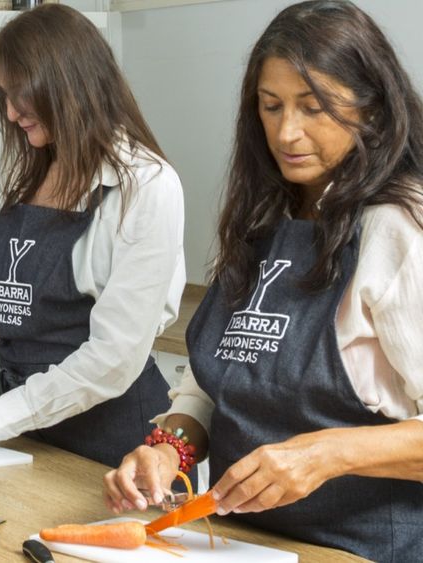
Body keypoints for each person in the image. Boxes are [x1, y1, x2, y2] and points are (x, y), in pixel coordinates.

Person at [104, 2, 423, 559]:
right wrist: (168, 450)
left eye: (314, 108)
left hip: (363, 550)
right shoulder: (261, 221)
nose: (287, 132)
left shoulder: (399, 229)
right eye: (271, 107)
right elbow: (217, 379)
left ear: (371, 111)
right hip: (244, 545)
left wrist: (326, 454)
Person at [0, 4, 186, 470]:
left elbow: (114, 359)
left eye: (21, 94)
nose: (12, 112)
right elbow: (27, 290)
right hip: (26, 433)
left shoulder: (147, 184)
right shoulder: (38, 172)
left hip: (112, 448)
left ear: (69, 83)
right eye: (4, 97)